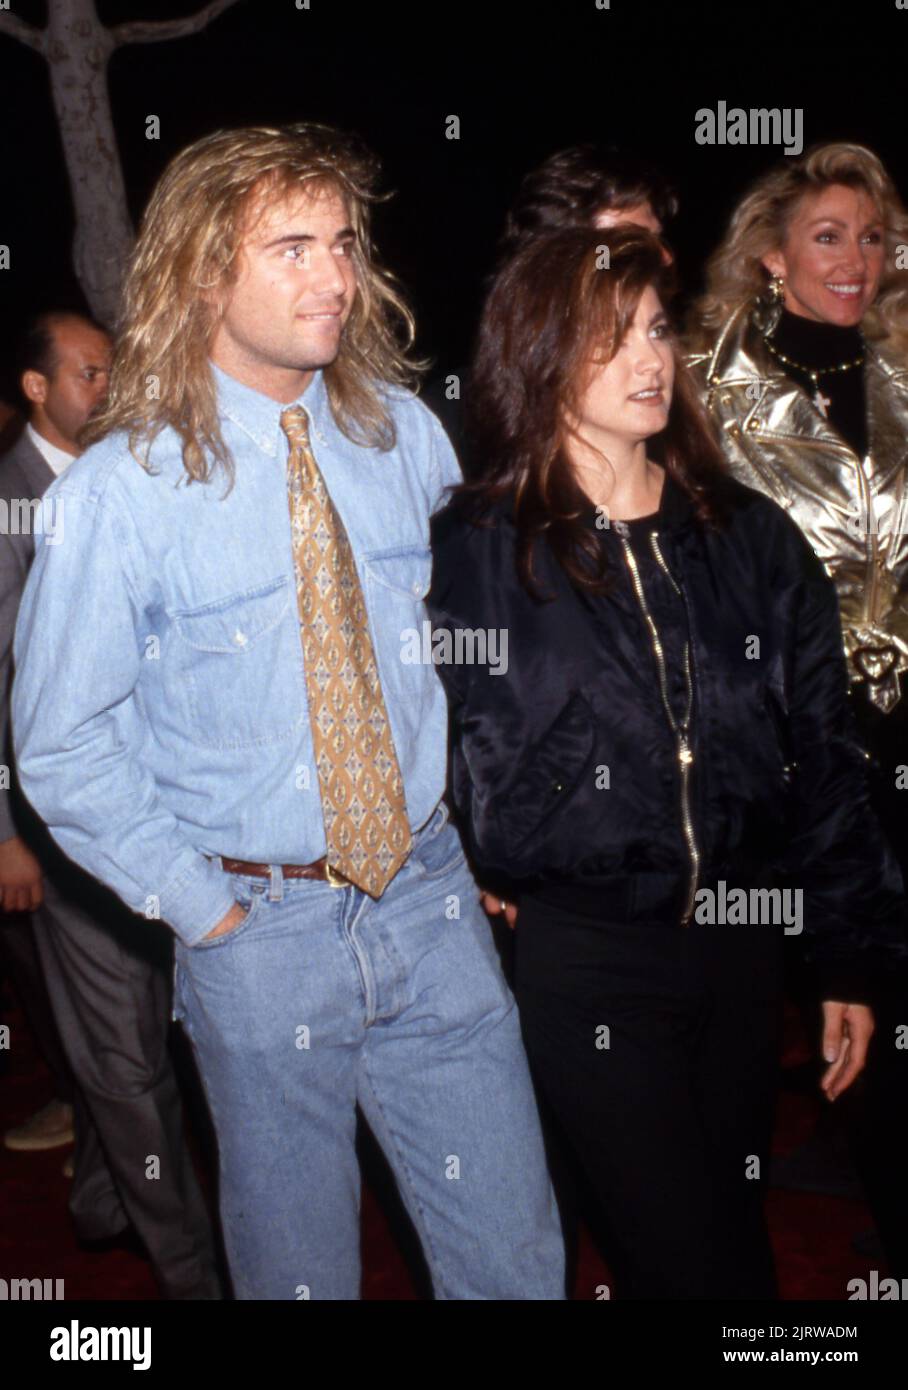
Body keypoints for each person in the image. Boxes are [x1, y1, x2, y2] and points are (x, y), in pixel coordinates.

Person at [10, 124, 564, 1301]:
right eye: (294, 247)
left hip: (427, 900)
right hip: (257, 934)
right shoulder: (126, 486)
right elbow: (61, 741)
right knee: (298, 1279)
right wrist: (206, 911)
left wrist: (492, 826)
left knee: (515, 1263)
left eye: (346, 244)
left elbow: (462, 660)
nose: (335, 277)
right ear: (206, 270)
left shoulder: (402, 434)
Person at [427, 225, 908, 1299]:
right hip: (585, 956)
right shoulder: (477, 548)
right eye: (610, 340)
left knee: (738, 1240)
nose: (649, 360)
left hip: (741, 950)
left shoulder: (747, 537)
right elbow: (426, 729)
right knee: (680, 1259)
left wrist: (846, 957)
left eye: (655, 330)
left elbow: (824, 755)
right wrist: (472, 848)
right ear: (539, 354)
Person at [688, 142, 908, 1277]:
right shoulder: (699, 385)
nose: (855, 260)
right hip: (782, 738)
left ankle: (854, 1138)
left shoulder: (900, 375)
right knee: (837, 963)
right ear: (770, 257)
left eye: (870, 238)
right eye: (828, 236)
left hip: (899, 724)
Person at [0, 311, 223, 1298]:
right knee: (129, 1067)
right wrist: (8, 834)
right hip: (62, 835)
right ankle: (193, 1270)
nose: (108, 385)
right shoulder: (7, 506)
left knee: (133, 1045)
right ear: (37, 388)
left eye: (112, 369)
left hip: (159, 816)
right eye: (89, 372)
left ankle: (102, 1201)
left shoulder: (126, 481)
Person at [423, 144, 676, 465]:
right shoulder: (447, 423)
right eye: (632, 242)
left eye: (658, 240)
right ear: (553, 265)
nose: (665, 258)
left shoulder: (670, 404)